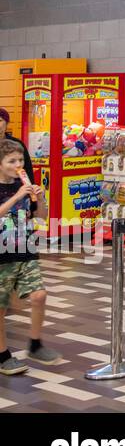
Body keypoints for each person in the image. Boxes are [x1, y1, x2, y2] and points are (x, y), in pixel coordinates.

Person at [0, 139, 59, 374]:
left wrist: (40, 197)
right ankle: (3, 355)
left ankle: (35, 344)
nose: (18, 165)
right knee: (1, 307)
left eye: (21, 160)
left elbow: (41, 217)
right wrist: (16, 197)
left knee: (39, 294)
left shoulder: (24, 185)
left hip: (25, 248)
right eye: (11, 161)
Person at [0, 109, 34, 189]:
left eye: (0, 120)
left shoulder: (16, 143)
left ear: (7, 123)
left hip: (16, 188)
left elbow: (27, 169)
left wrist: (31, 190)